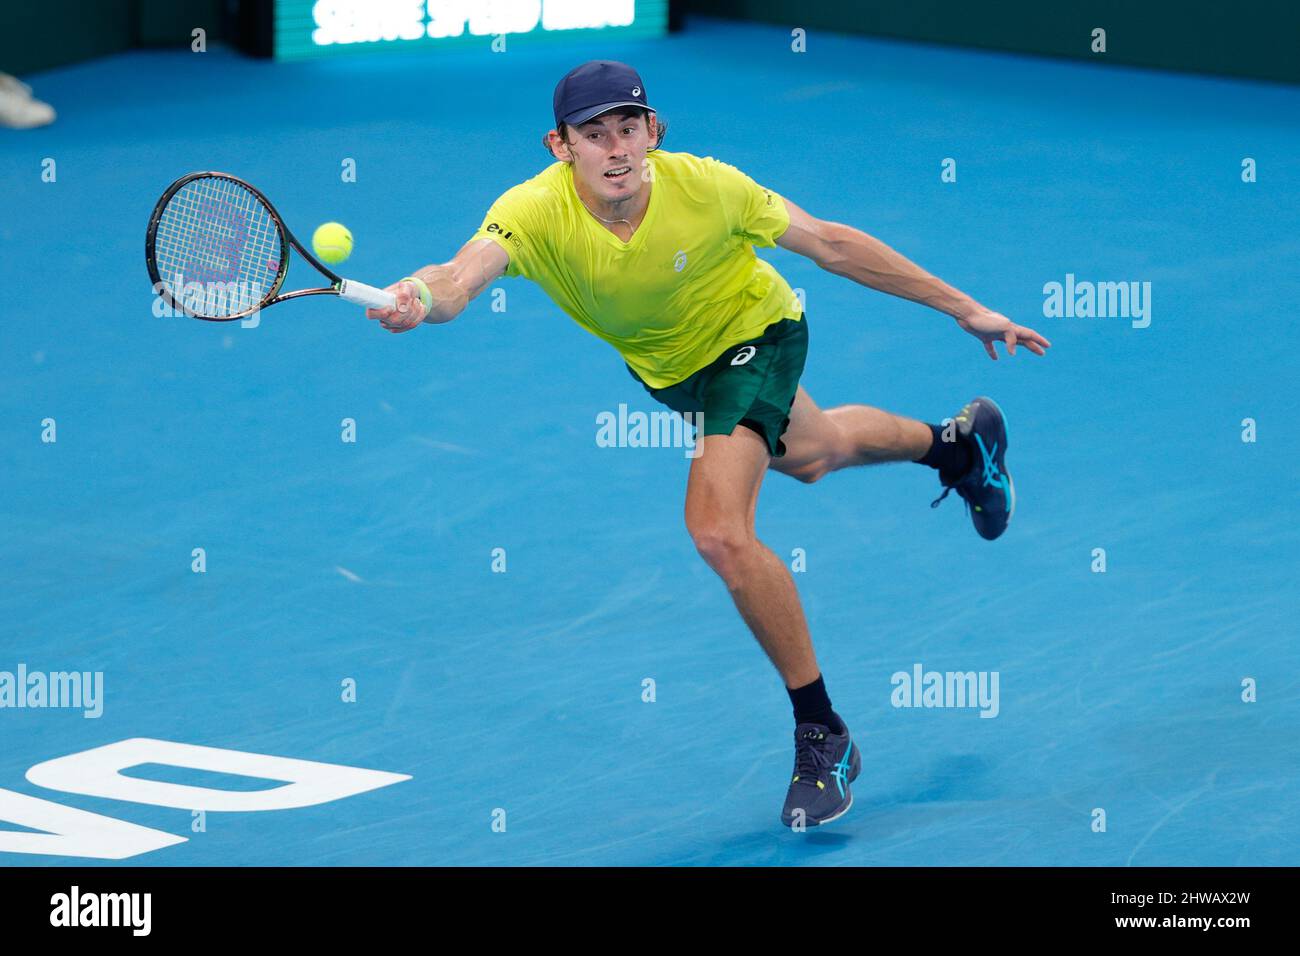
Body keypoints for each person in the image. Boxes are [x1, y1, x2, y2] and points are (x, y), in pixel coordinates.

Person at [366, 60, 1050, 827]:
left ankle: (824, 732)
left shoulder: (708, 186)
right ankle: (960, 447)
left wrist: (965, 308)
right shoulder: (530, 212)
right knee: (817, 453)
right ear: (560, 146)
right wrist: (419, 298)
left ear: (654, 130)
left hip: (759, 334)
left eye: (630, 128)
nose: (617, 147)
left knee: (719, 532)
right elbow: (459, 277)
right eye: (595, 135)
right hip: (675, 374)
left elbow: (829, 244)